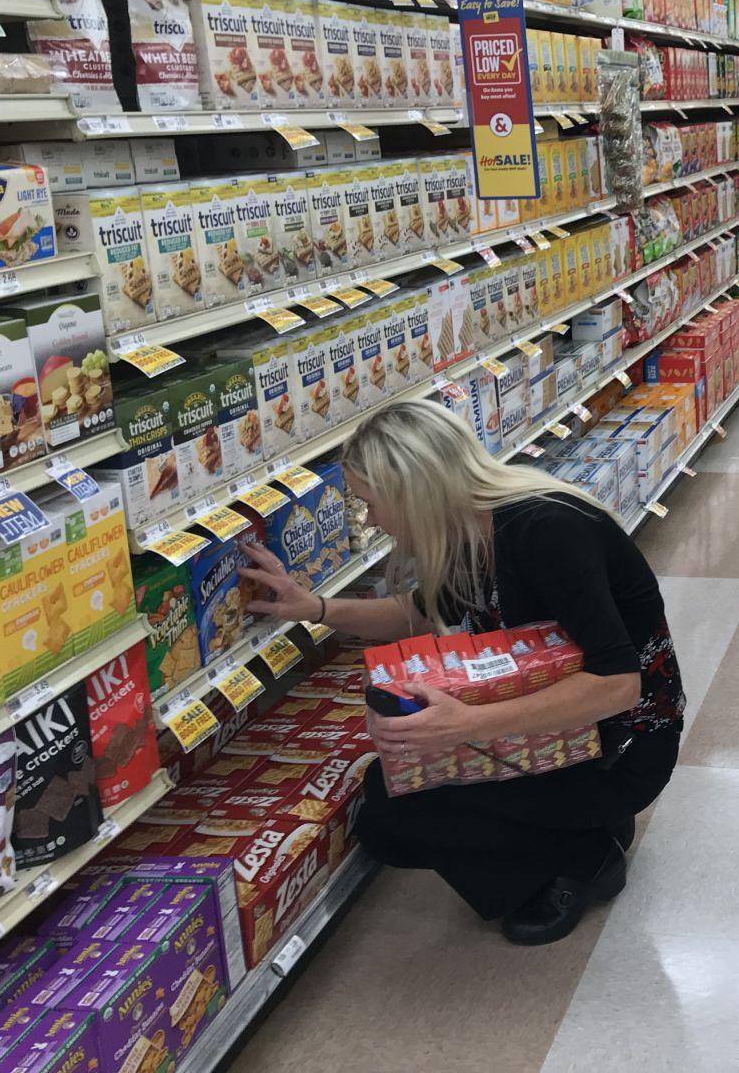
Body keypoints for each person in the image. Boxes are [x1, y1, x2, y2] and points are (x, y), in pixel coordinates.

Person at [238, 401, 684, 945]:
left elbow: (619, 684)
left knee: (400, 815)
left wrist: (467, 724)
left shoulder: (547, 531)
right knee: (386, 798)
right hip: (561, 734)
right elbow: (422, 613)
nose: (370, 520)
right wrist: (316, 608)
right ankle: (582, 821)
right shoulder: (469, 528)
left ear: (412, 489)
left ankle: (587, 859)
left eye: (370, 503)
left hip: (622, 745)